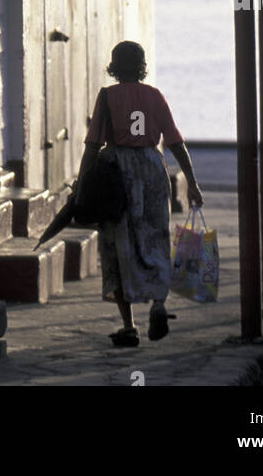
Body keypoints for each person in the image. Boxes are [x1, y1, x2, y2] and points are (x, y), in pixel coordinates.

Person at [73, 40, 203, 347]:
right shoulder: (154, 96)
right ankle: (158, 303)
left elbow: (92, 146)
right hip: (151, 169)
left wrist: (81, 186)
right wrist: (192, 182)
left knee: (118, 245)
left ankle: (129, 325)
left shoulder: (106, 97)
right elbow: (174, 142)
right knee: (155, 237)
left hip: (117, 173)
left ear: (114, 66)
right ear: (142, 66)